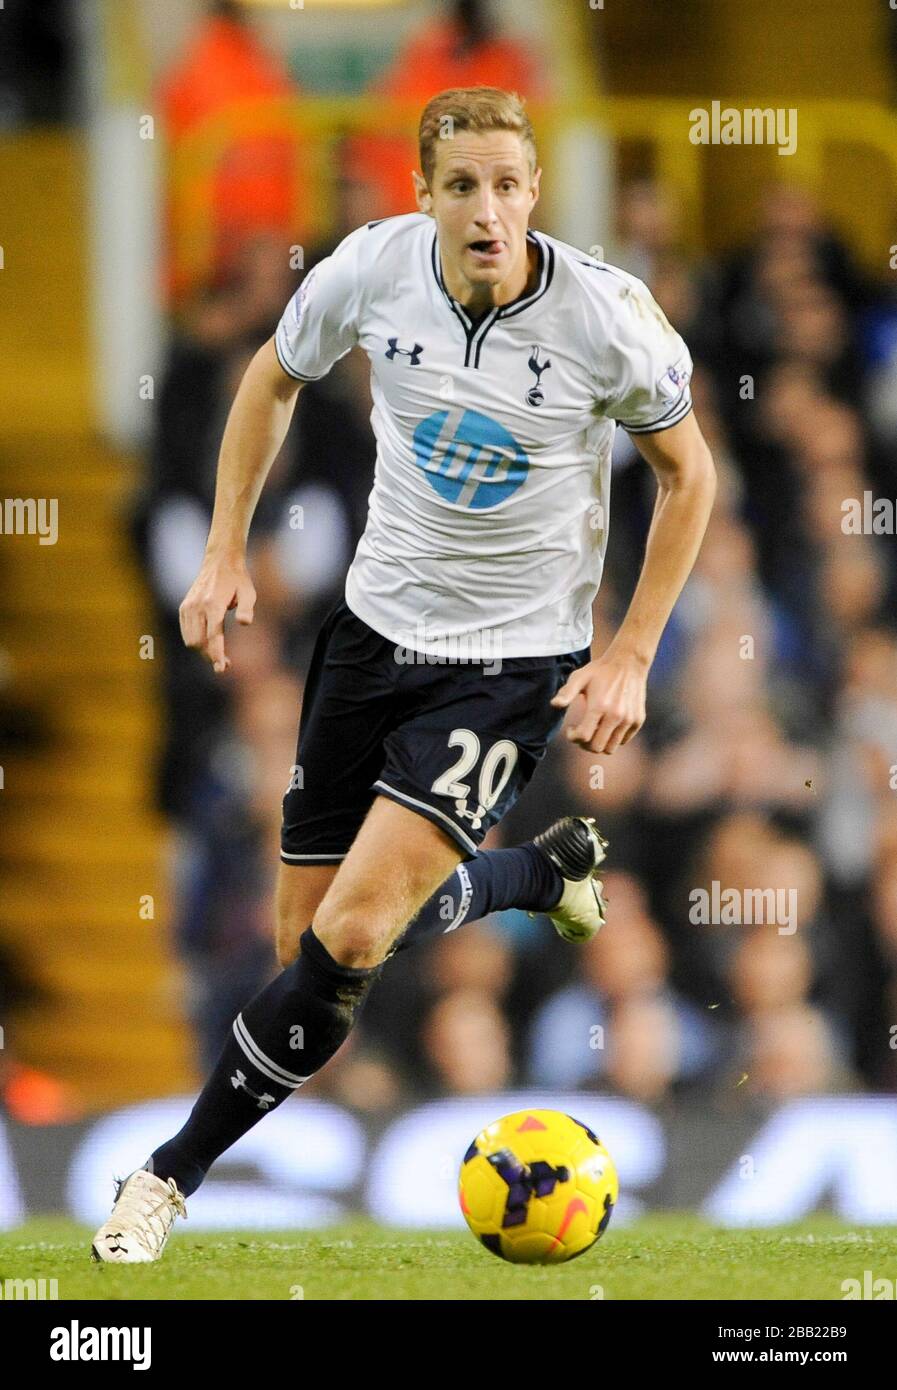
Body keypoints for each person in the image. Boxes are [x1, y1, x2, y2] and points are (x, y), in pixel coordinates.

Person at [92, 86, 715, 1261]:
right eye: (463, 186)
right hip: (368, 636)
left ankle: (164, 1176)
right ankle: (534, 873)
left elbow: (690, 477)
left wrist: (628, 653)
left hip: (509, 663)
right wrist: (227, 546)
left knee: (355, 937)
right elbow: (270, 380)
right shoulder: (371, 271)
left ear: (534, 194)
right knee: (306, 948)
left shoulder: (609, 318)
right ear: (424, 195)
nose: (488, 209)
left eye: (508, 186)